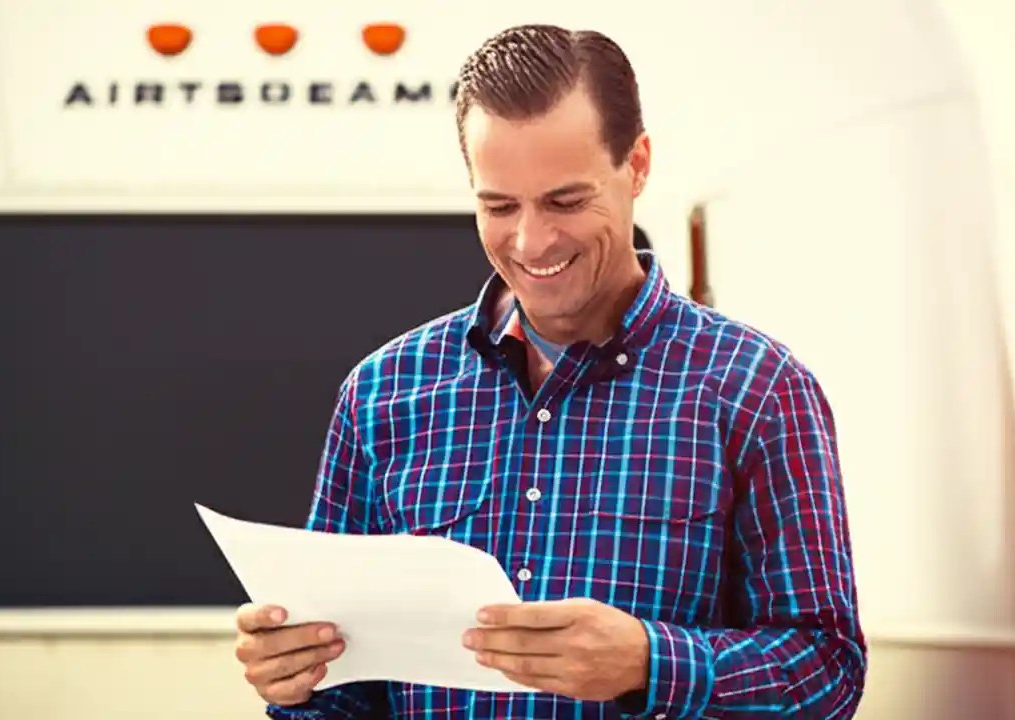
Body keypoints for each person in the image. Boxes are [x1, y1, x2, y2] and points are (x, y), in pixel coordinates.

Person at [233, 23, 866, 719]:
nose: (532, 242)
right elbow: (342, 698)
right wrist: (297, 684)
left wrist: (650, 664)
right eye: (499, 206)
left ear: (639, 165)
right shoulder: (383, 394)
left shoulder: (758, 390)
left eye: (566, 201)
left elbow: (829, 672)